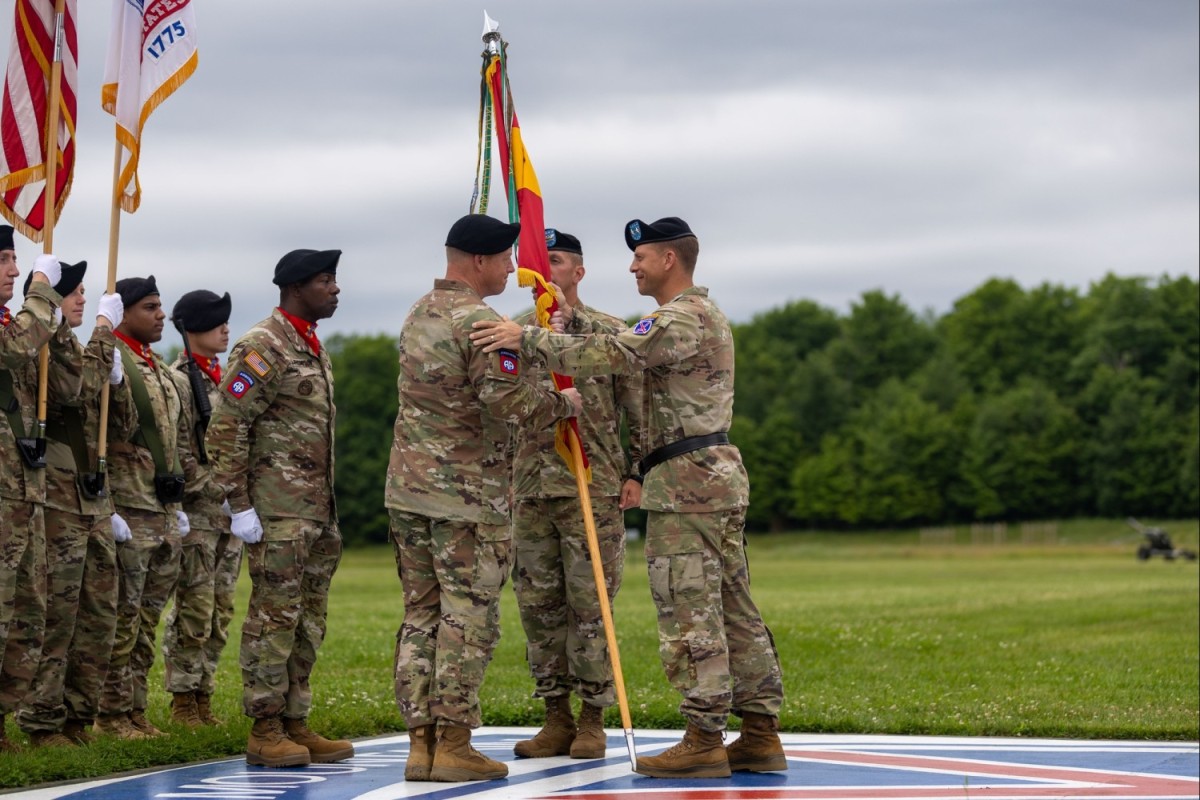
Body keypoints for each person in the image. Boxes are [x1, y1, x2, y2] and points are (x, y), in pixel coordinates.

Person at [471, 217, 787, 779]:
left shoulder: (680, 316)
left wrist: (531, 339)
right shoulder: (691, 315)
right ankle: (759, 734)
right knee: (733, 607)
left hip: (688, 482)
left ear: (669, 259)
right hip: (698, 477)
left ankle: (704, 737)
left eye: (641, 256)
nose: (633, 266)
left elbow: (616, 354)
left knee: (690, 608)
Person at [385, 214, 583, 783]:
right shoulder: (480, 322)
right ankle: (454, 743)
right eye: (504, 259)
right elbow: (508, 403)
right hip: (467, 497)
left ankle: (421, 745)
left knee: (420, 616)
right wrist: (565, 404)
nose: (512, 269)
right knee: (467, 616)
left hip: (410, 491)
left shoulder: (419, 312)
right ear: (479, 261)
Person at [205, 248, 352, 768]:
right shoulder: (264, 345)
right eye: (325, 280)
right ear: (295, 288)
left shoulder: (309, 346)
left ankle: (294, 719)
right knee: (274, 618)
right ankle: (264, 727)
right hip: (276, 511)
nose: (335, 289)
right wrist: (238, 504)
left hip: (315, 511)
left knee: (307, 619)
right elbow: (227, 426)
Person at [509, 228, 643, 760]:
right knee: (539, 607)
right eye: (537, 262)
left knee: (591, 606)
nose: (544, 271)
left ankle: (592, 718)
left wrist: (638, 471)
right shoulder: (514, 332)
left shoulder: (611, 333)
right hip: (530, 487)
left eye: (556, 261)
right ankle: (556, 717)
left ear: (579, 272)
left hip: (593, 484)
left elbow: (637, 407)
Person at [15, 263, 136, 747]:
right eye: (74, 293)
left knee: (99, 616)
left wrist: (118, 383)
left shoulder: (79, 349)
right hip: (58, 499)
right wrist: (105, 332)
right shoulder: (42, 348)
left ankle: (78, 716)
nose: (84, 301)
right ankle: (42, 720)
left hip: (93, 499)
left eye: (86, 293)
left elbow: (121, 429)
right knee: (56, 618)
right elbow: (71, 390)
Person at [98, 275, 192, 740]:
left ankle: (135, 710)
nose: (160, 315)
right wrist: (106, 505)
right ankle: (111, 714)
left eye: (160, 306)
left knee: (147, 621)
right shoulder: (111, 361)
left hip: (163, 511)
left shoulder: (162, 371)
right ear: (125, 313)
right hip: (129, 507)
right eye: (149, 307)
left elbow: (176, 441)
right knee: (122, 618)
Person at [0, 229, 75, 751]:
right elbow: (13, 351)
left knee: (27, 613)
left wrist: (63, 326)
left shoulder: (18, 322)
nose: (13, 269)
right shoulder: (17, 329)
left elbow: (68, 390)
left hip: (25, 491)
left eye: (15, 259)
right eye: (5, 259)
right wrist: (43, 291)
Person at [162, 290, 239, 727]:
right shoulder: (179, 380)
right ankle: (183, 699)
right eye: (216, 322)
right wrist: (217, 488)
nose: (225, 329)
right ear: (192, 329)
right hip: (199, 512)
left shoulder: (224, 378)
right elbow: (179, 450)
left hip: (230, 515)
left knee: (220, 609)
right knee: (194, 607)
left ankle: (204, 694)